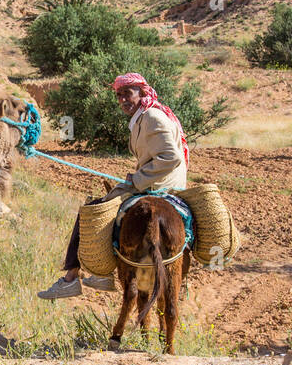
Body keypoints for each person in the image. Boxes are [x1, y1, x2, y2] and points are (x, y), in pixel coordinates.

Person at [38, 72, 189, 299]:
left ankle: (74, 278)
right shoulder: (145, 116)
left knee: (93, 211)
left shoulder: (152, 118)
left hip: (159, 186)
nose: (122, 100)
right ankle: (100, 273)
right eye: (118, 96)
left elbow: (171, 158)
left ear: (143, 92)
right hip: (156, 181)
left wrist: (137, 180)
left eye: (127, 94)